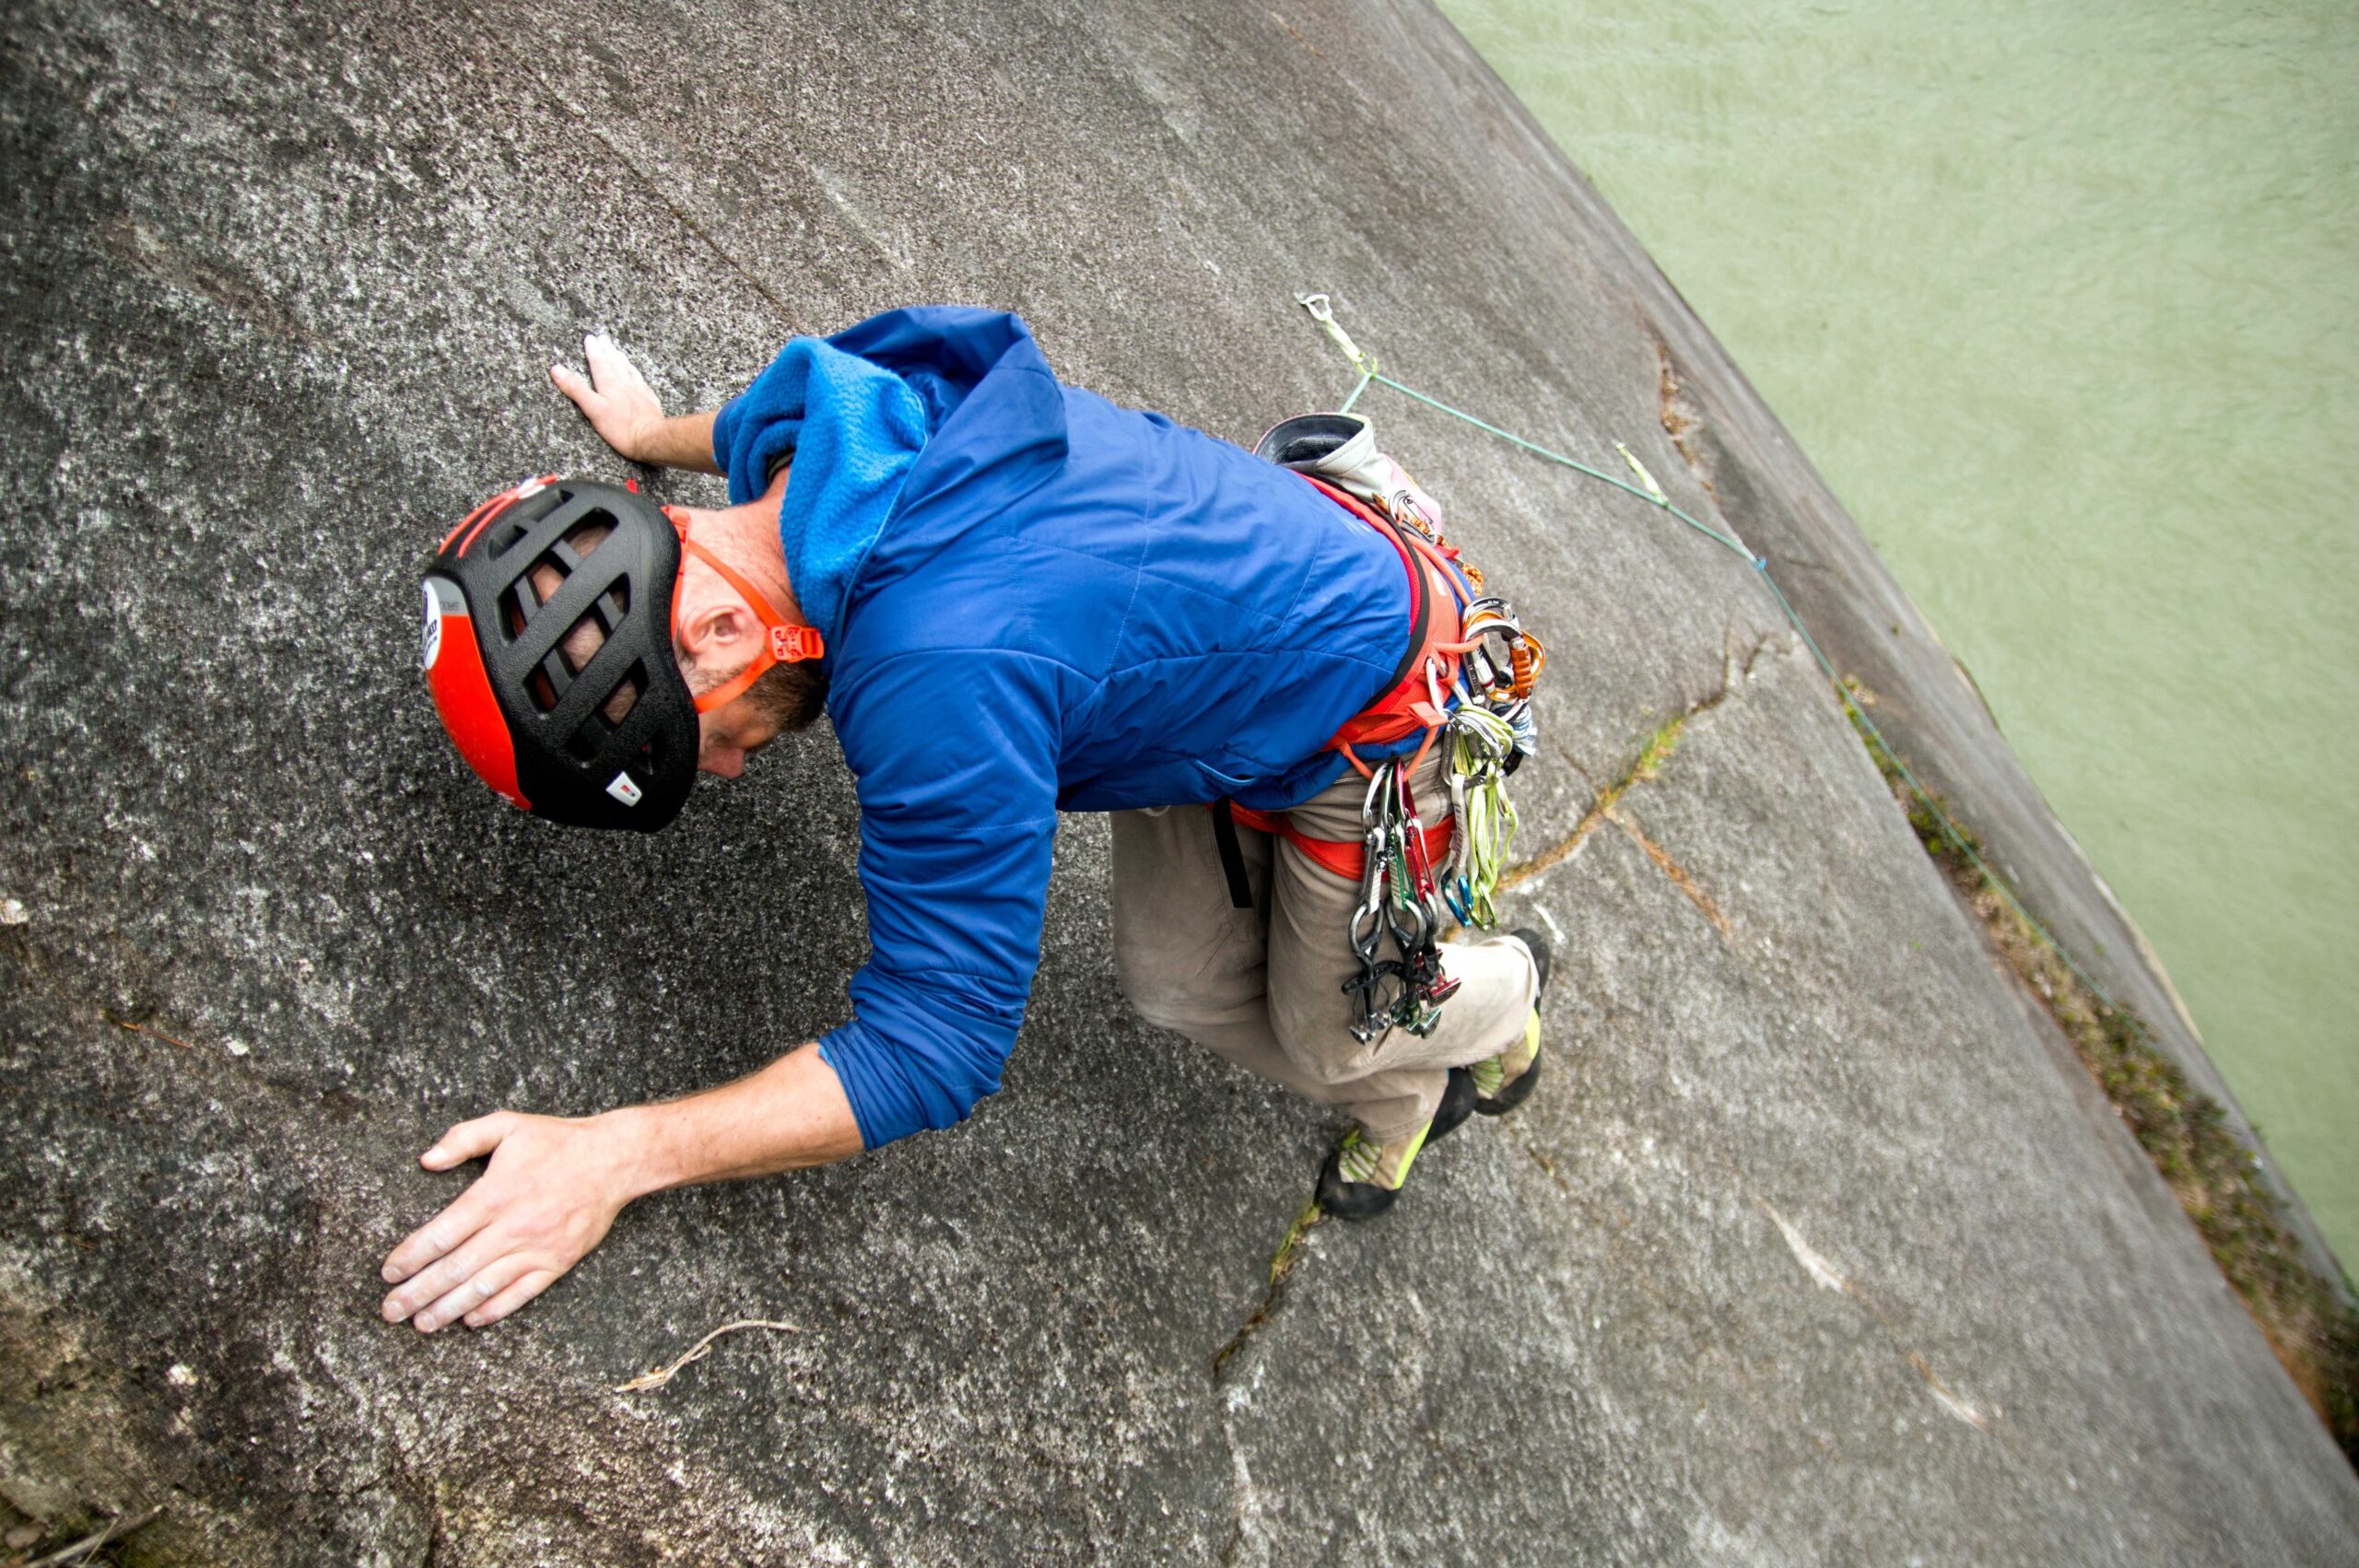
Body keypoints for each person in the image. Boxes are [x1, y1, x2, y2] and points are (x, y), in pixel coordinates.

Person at [382, 308, 1544, 1335]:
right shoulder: (826, 425)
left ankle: (1510, 989)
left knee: (1330, 1036)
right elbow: (744, 426)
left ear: (723, 637)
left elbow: (933, 1046)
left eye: (703, 740)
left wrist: (610, 1156)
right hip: (1231, 642)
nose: (729, 768)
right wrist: (652, 441)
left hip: (1387, 703)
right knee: (1176, 984)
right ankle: (1412, 1072)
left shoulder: (939, 670)